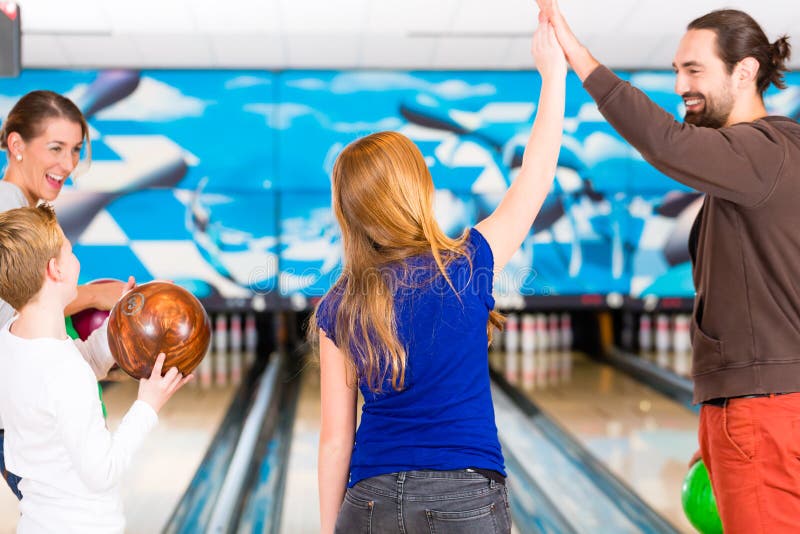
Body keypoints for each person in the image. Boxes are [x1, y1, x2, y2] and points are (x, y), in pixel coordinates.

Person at [537, 1, 799, 530]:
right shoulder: (777, 156)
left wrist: (580, 60)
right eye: (676, 69)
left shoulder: (761, 151)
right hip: (766, 406)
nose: (679, 83)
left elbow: (665, 142)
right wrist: (717, 426)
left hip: (761, 412)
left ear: (745, 71)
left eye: (694, 69)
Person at [312, 16, 565, 534]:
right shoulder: (467, 265)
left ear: (348, 212)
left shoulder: (339, 304)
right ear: (417, 191)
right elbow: (536, 178)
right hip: (465, 499)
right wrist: (554, 76)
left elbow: (335, 438)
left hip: (369, 504)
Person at [0, 204, 191, 533]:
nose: (77, 261)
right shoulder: (64, 373)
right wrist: (147, 405)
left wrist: (124, 321)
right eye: (70, 252)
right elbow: (104, 471)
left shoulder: (12, 339)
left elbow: (83, 359)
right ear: (55, 270)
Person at [0, 90, 136, 499]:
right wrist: (93, 299)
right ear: (16, 145)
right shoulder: (9, 212)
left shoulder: (28, 207)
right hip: (23, 418)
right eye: (56, 148)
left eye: (76, 149)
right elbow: (17, 319)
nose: (68, 163)